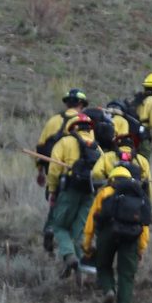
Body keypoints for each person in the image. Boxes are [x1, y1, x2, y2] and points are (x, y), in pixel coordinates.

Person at [83, 148, 152, 303]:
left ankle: (109, 290)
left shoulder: (105, 191)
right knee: (126, 273)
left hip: (108, 232)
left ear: (112, 175)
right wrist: (141, 249)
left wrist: (87, 245)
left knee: (103, 265)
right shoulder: (139, 194)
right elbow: (144, 224)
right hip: (132, 235)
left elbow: (91, 220)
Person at [46, 111, 100, 277]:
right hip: (89, 192)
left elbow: (54, 170)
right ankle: (81, 273)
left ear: (73, 127)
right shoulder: (96, 147)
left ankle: (70, 257)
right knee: (79, 232)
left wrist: (52, 190)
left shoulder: (65, 142)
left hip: (69, 190)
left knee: (59, 226)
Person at [36, 89, 89, 253]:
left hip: (53, 170)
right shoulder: (85, 122)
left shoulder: (53, 121)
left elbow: (40, 147)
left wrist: (39, 172)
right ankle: (70, 245)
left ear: (67, 103)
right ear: (81, 104)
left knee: (55, 200)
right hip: (77, 176)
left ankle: (51, 230)